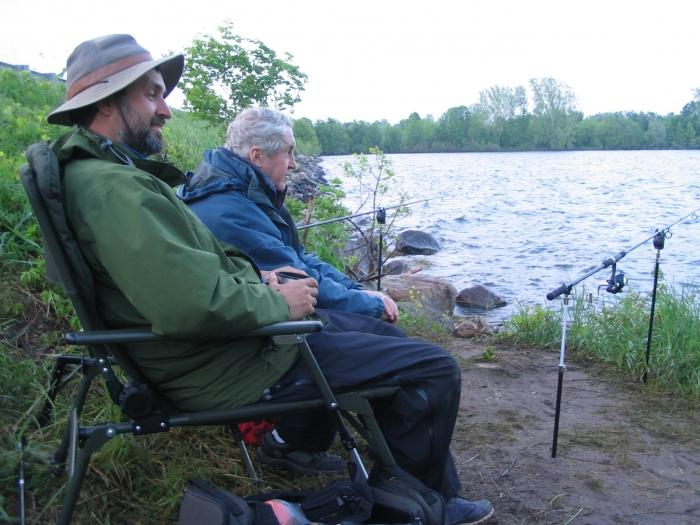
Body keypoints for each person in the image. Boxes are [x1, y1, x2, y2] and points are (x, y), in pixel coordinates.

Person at [46, 34, 494, 524]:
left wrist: (260, 278)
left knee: (380, 335)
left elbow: (187, 276)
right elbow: (189, 306)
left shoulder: (108, 177)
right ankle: (415, 505)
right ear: (108, 101)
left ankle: (414, 490)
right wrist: (279, 303)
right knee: (433, 368)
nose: (166, 109)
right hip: (231, 361)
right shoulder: (116, 190)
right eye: (152, 93)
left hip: (228, 345)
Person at [177, 108, 399, 323]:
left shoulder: (249, 195)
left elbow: (299, 257)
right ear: (257, 156)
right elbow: (295, 276)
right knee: (390, 338)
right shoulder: (229, 211)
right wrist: (372, 306)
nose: (294, 163)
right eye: (289, 151)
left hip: (276, 320)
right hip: (267, 336)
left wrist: (356, 290)